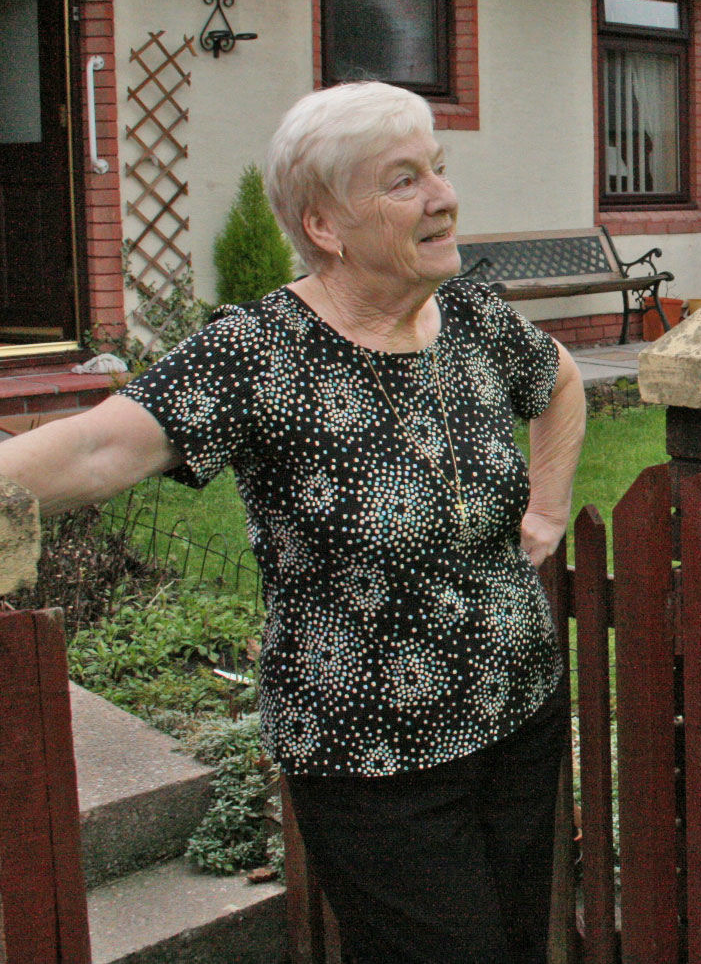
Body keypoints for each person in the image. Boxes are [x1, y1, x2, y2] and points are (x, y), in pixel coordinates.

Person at [0, 81, 587, 963]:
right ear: (324, 224)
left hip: (519, 717)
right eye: (405, 180)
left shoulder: (471, 317)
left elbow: (560, 379)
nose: (444, 196)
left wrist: (546, 507)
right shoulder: (259, 351)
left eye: (438, 167)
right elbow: (95, 450)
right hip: (375, 763)